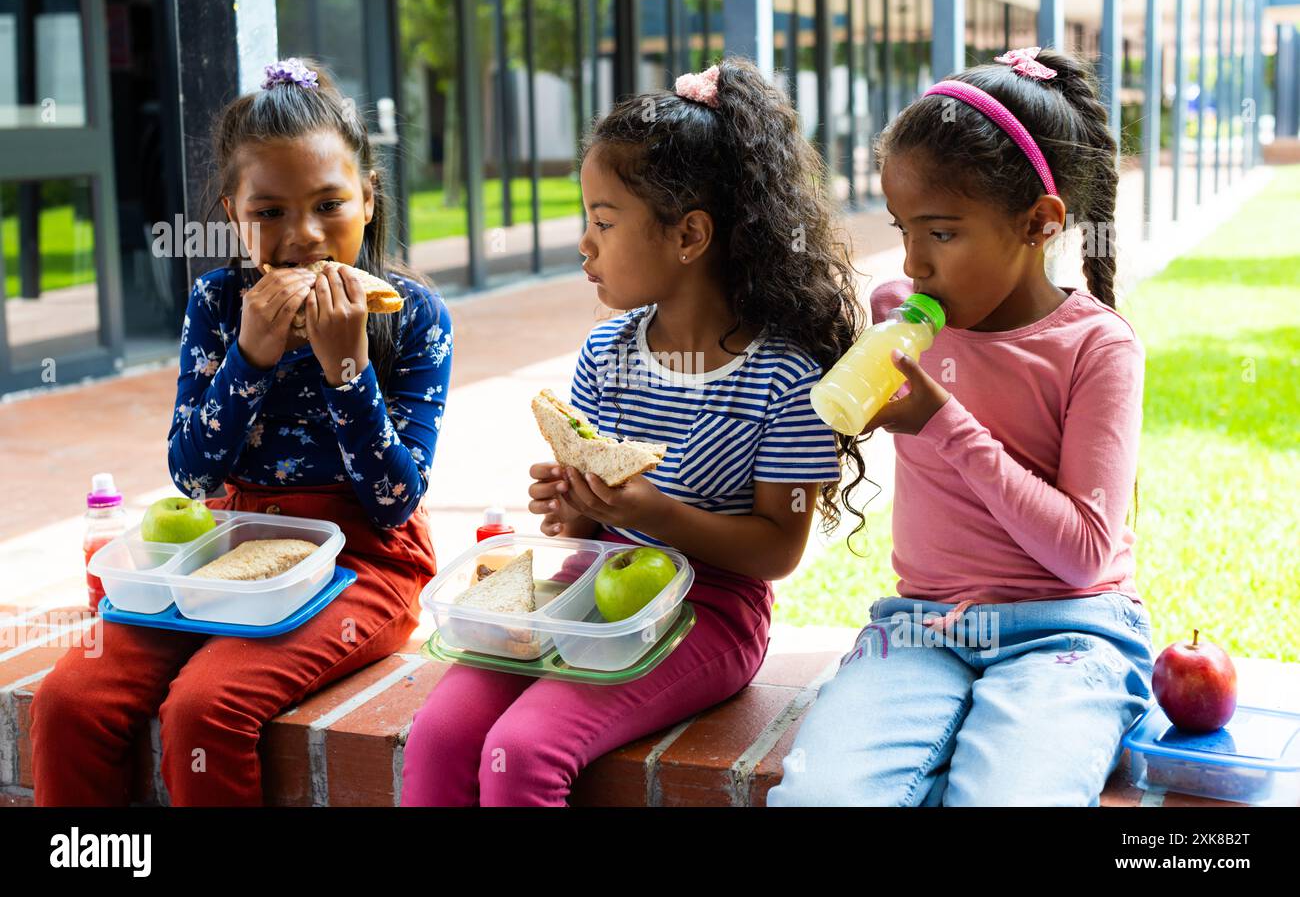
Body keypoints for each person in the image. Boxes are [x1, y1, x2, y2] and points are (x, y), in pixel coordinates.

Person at [400, 56, 870, 806]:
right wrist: (576, 502)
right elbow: (587, 525)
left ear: (688, 235)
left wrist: (658, 516)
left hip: (710, 610)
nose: (583, 243)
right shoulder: (606, 351)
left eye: (604, 221)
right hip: (592, 580)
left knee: (521, 753)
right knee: (441, 736)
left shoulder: (785, 376)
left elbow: (777, 549)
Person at [30, 58, 452, 806]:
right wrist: (248, 358)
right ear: (232, 214)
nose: (303, 237)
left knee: (204, 708)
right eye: (269, 213)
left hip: (367, 563)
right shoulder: (219, 304)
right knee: (72, 701)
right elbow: (194, 476)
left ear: (368, 198)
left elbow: (393, 501)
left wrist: (347, 370)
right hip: (230, 550)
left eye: (329, 205)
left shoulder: (412, 317)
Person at [768, 46, 1153, 807]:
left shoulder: (1097, 348)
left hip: (1069, 632)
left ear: (1039, 223)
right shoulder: (898, 320)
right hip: (922, 628)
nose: (913, 263)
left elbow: (1081, 556)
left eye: (941, 233)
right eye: (901, 228)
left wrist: (943, 424)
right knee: (822, 797)